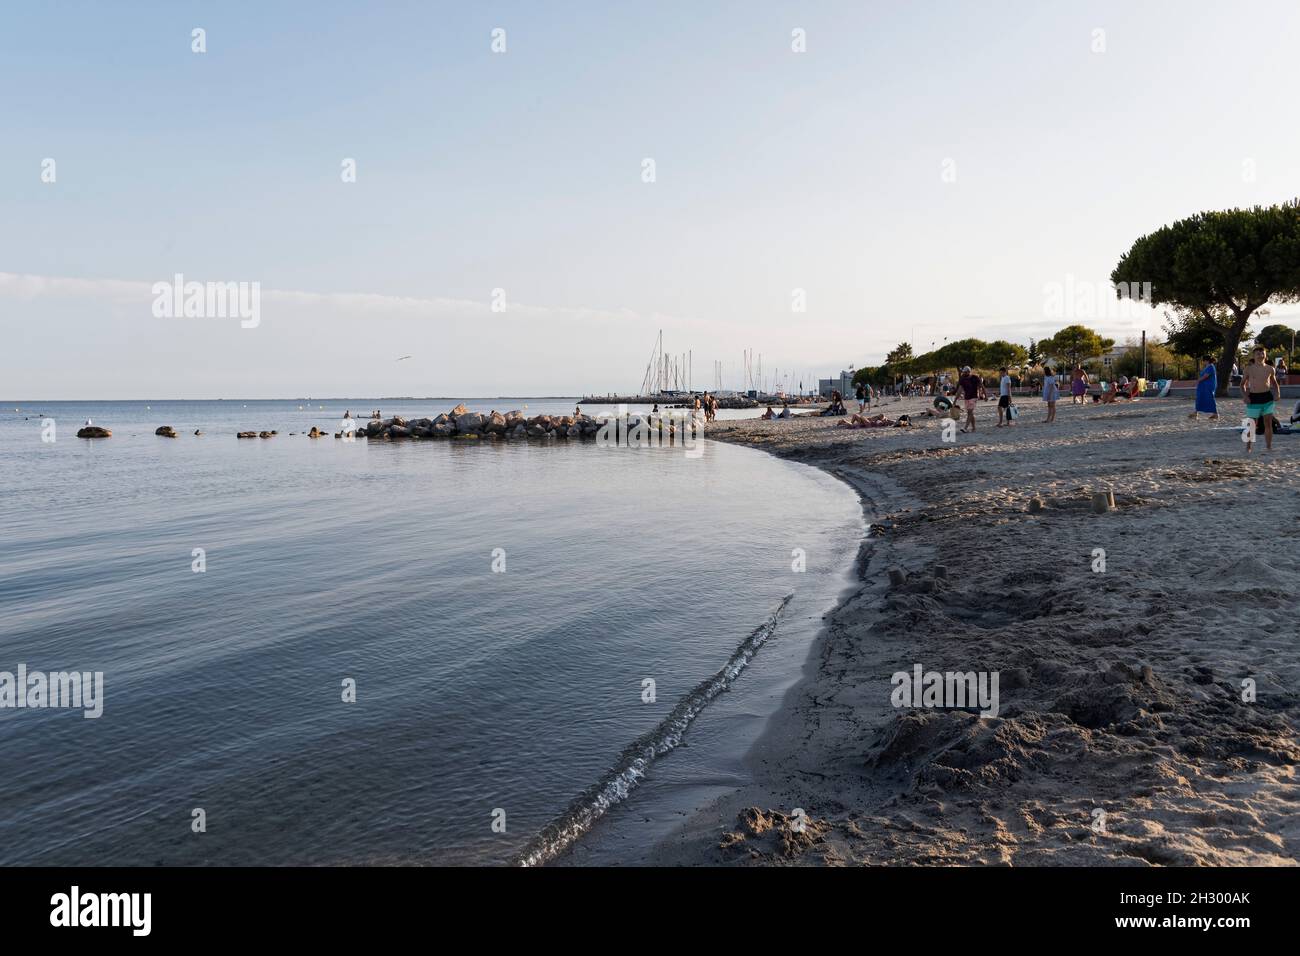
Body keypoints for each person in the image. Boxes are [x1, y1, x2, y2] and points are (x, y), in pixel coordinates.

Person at [1241, 345, 1281, 453]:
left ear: (1266, 355)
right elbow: (1242, 385)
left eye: (1262, 353)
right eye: (1258, 353)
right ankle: (1248, 447)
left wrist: (1277, 393)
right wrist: (1245, 396)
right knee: (1252, 424)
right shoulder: (1248, 369)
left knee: (1268, 423)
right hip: (1253, 398)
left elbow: (1275, 384)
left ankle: (1269, 446)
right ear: (1253, 356)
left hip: (1267, 397)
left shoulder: (1270, 369)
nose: (1260, 355)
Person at [956, 366, 981, 433]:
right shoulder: (962, 379)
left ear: (969, 372)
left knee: (970, 412)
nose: (964, 373)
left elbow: (981, 386)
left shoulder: (975, 377)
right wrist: (955, 400)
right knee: (970, 413)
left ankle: (965, 428)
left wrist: (985, 395)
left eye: (965, 372)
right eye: (963, 372)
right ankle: (974, 428)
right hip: (966, 398)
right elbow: (959, 390)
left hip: (974, 397)